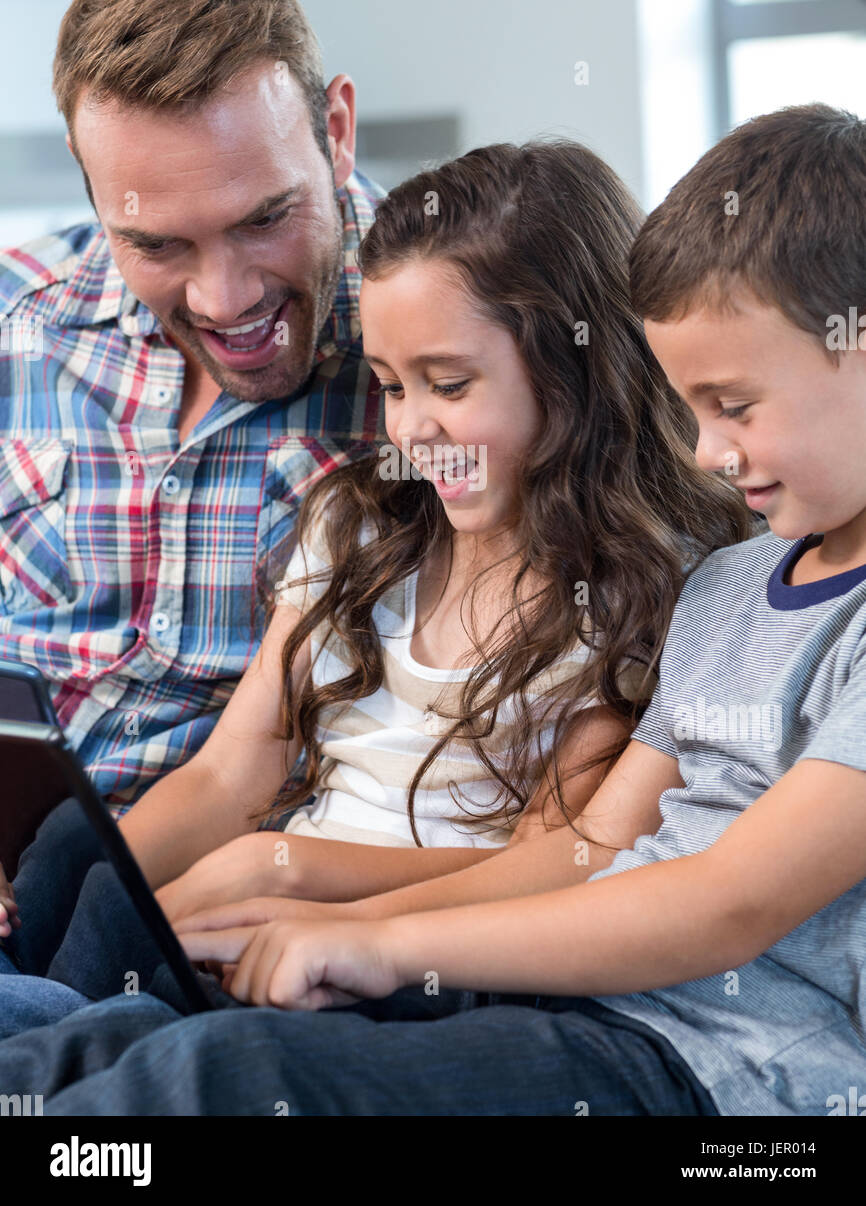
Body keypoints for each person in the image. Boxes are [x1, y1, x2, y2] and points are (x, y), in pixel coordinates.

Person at [1, 102, 863, 1118]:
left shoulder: (668, 585)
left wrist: (367, 934)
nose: (703, 450)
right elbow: (604, 850)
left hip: (718, 1063)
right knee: (104, 1024)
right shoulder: (730, 591)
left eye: (733, 406)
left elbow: (713, 899)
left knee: (207, 1073)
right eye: (695, 408)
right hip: (569, 991)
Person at [0, 0, 386, 820]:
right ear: (89, 178)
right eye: (157, 243)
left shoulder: (466, 346)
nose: (225, 298)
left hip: (256, 897)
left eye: (265, 219)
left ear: (335, 131)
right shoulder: (21, 322)